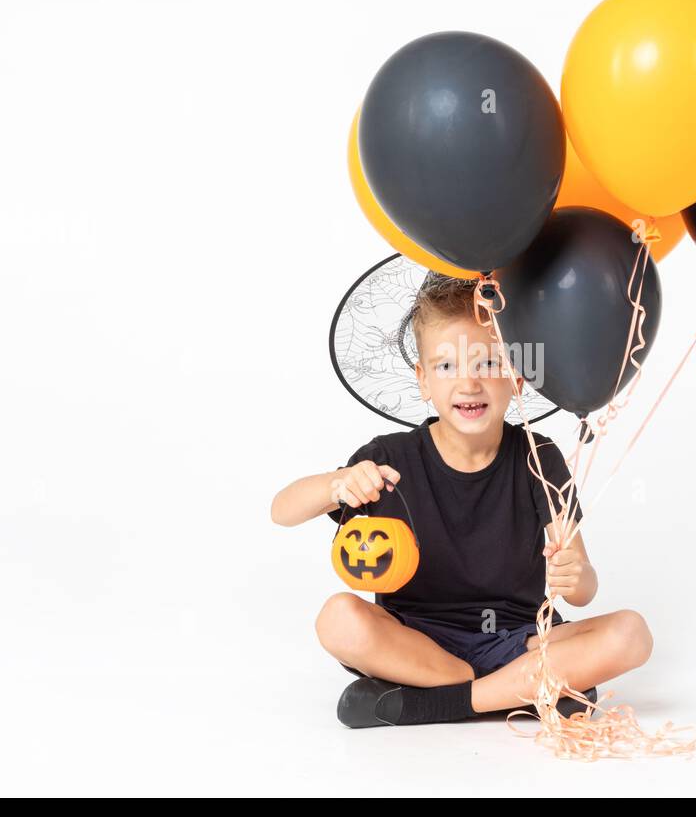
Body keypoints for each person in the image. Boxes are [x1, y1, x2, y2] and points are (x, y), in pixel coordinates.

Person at [270, 274, 654, 727]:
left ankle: (434, 703)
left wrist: (575, 577)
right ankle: (525, 690)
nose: (469, 383)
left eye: (488, 362)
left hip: (519, 639)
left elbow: (584, 590)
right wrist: (338, 483)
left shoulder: (537, 455)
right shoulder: (388, 458)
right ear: (423, 380)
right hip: (416, 642)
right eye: (447, 366)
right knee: (337, 618)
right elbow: (282, 511)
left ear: (516, 375)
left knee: (631, 634)